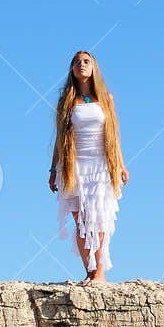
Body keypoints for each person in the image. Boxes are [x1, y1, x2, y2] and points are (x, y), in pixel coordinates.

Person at [48, 50, 128, 282]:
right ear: (72, 70)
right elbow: (60, 139)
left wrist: (121, 165)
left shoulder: (105, 99)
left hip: (100, 164)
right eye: (76, 62)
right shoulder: (67, 101)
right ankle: (90, 272)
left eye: (86, 61)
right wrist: (53, 170)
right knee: (81, 221)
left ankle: (100, 273)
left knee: (99, 219)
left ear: (94, 68)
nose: (81, 65)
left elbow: (114, 135)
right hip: (74, 165)